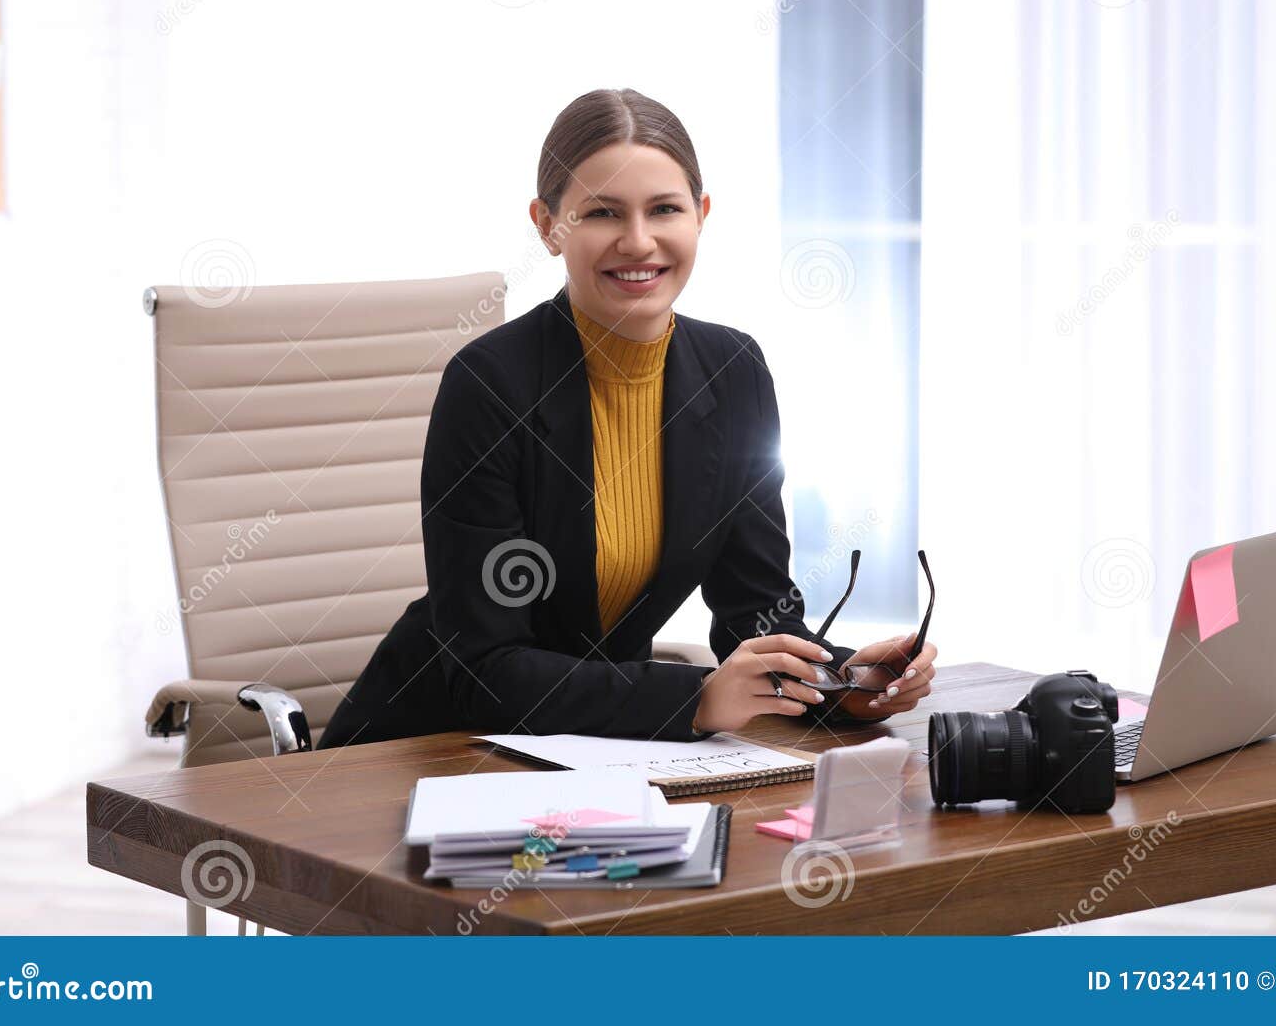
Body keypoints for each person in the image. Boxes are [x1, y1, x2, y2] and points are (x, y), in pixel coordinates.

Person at [319, 88, 935, 749]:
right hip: (428, 747)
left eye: (665, 209)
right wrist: (695, 698)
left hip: (603, 749)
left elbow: (754, 614)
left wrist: (845, 681)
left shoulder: (733, 371)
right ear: (548, 224)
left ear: (700, 214)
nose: (638, 241)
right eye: (603, 212)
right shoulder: (488, 383)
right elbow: (484, 671)